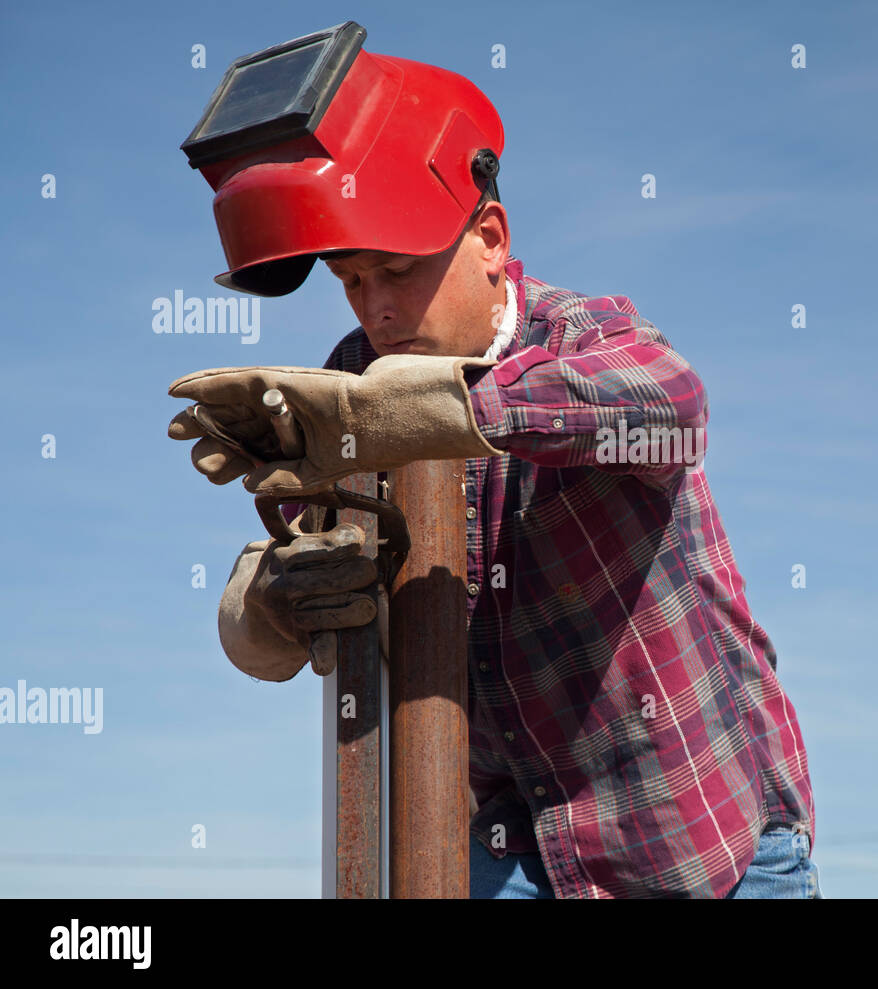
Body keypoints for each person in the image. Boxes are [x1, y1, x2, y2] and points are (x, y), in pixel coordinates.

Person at [166, 22, 819, 899]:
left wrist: (436, 414)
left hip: (704, 842)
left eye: (397, 270)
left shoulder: (586, 339)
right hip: (519, 855)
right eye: (353, 281)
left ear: (490, 237)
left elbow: (675, 404)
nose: (377, 308)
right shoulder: (351, 380)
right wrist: (269, 603)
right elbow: (299, 535)